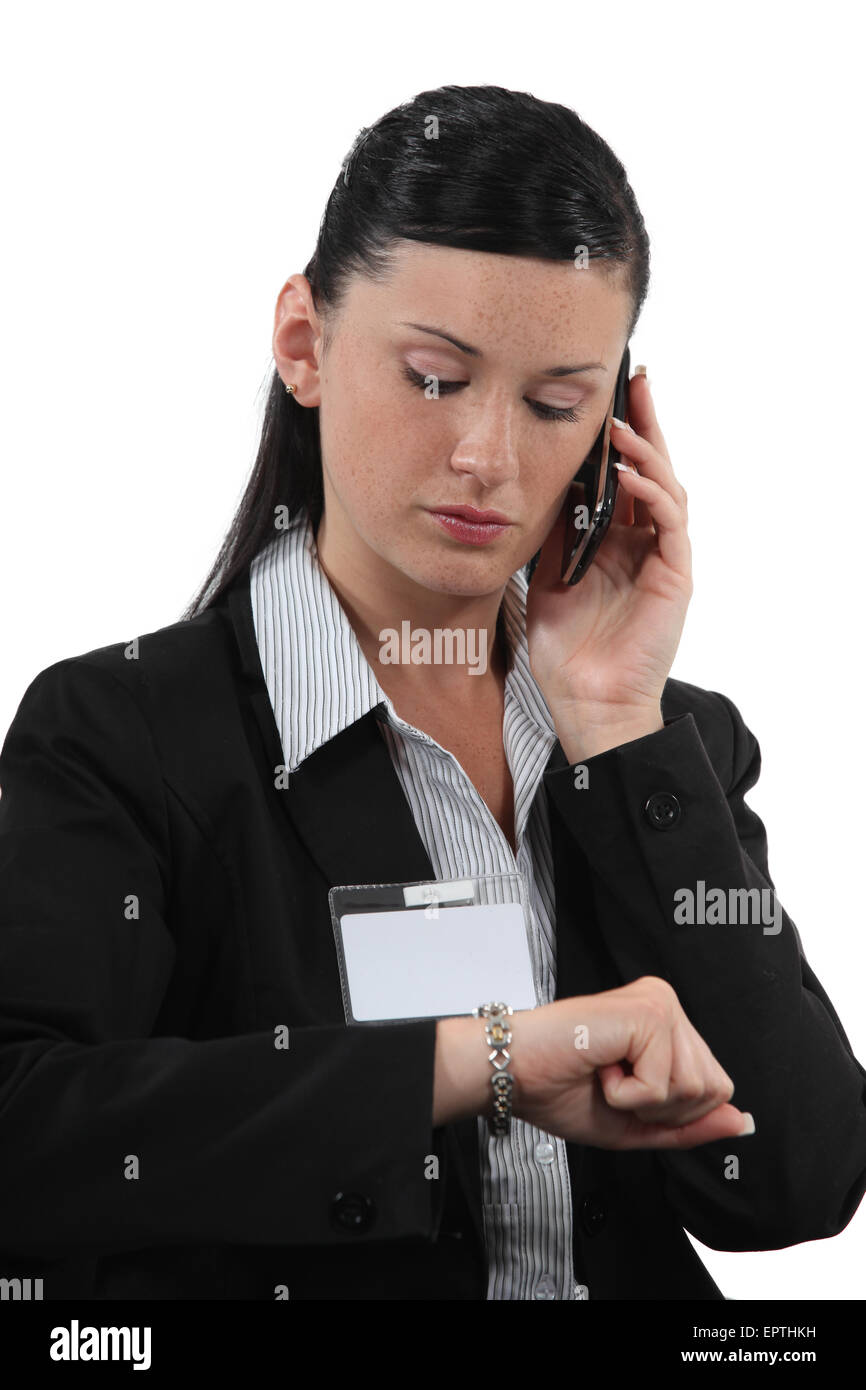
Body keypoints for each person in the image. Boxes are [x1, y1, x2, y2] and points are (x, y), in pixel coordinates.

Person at [1, 83, 864, 1303]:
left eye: (557, 402)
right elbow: (30, 1135)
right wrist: (486, 1059)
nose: (488, 460)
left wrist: (616, 723)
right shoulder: (126, 733)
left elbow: (798, 1180)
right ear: (304, 345)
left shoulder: (671, 745)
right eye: (432, 378)